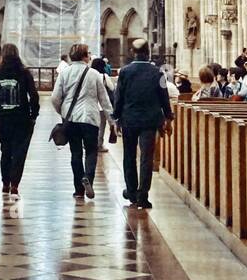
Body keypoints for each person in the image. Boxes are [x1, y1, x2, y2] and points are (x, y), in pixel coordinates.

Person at [112, 39, 174, 209]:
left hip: (129, 119)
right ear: (148, 53)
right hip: (150, 120)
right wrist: (168, 117)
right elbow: (164, 96)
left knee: (129, 156)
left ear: (133, 52)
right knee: (146, 158)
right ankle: (143, 195)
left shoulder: (124, 72)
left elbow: (119, 96)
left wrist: (116, 117)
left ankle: (131, 191)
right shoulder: (158, 72)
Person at [51, 44, 113, 199]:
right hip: (90, 118)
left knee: (76, 153)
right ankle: (88, 179)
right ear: (85, 57)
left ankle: (78, 189)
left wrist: (62, 111)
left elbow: (55, 97)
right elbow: (104, 100)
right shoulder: (94, 74)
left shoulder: (65, 73)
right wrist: (112, 121)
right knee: (91, 152)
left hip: (71, 119)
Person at [0, 44, 41, 197]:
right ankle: (15, 184)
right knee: (19, 152)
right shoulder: (24, 73)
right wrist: (33, 115)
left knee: (5, 150)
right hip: (21, 119)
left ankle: (5, 183)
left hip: (2, 119)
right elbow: (34, 96)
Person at [90, 58, 114, 153]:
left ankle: (90, 143)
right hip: (101, 106)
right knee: (101, 126)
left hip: (91, 104)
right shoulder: (104, 76)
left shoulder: (89, 75)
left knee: (92, 126)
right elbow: (112, 88)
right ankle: (99, 144)